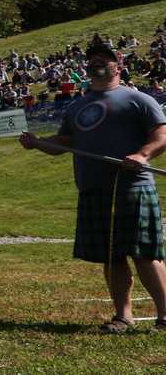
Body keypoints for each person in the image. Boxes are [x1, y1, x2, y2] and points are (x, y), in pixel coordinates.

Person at [20, 34, 166, 333]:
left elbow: (161, 135)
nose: (97, 61)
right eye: (93, 59)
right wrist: (37, 143)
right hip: (93, 188)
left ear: (118, 65)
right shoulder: (77, 106)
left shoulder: (138, 99)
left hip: (132, 187)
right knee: (111, 256)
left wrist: (142, 154)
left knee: (145, 254)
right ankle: (123, 316)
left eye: (105, 58)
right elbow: (64, 143)